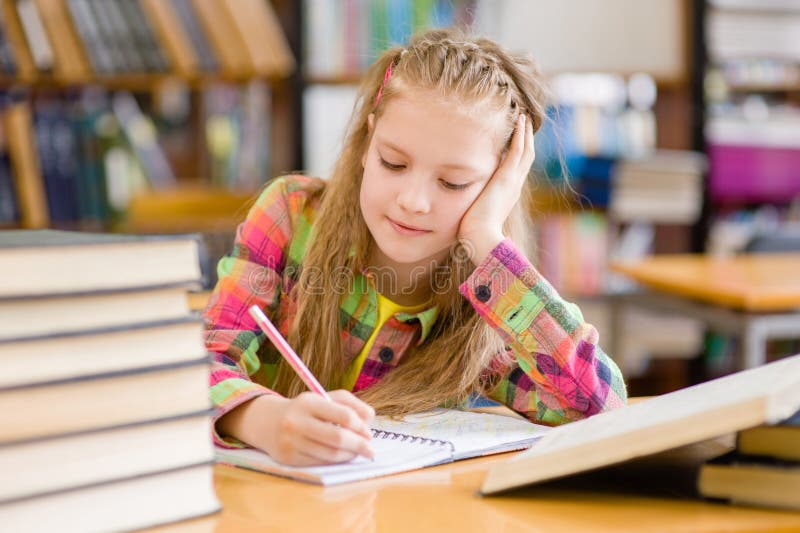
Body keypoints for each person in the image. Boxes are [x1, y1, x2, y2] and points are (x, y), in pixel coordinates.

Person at [205, 28, 627, 467]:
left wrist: (486, 237)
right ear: (368, 143)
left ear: (500, 185)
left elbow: (599, 407)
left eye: (453, 183)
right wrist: (266, 420)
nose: (413, 201)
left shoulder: (486, 313)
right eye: (394, 163)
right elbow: (199, 363)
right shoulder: (290, 215)